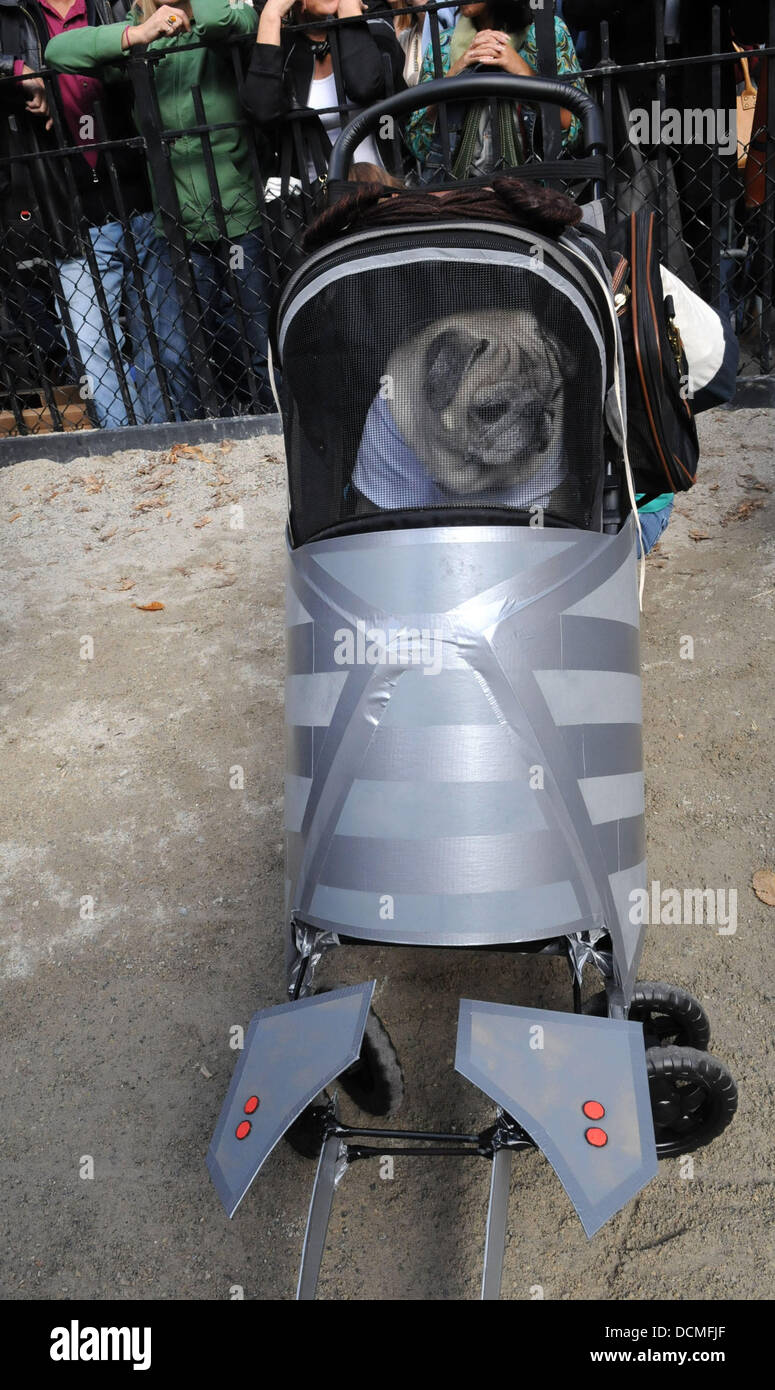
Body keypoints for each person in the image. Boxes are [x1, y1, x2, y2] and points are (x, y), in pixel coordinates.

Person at [46, 0, 273, 421]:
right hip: (178, 225)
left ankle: (273, 428)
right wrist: (139, 34)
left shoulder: (227, 16)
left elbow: (221, 19)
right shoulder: (143, 32)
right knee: (184, 350)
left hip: (240, 215)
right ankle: (203, 432)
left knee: (257, 346)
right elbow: (57, 53)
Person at [0, 0, 164, 428]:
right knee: (90, 345)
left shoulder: (112, 4)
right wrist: (22, 76)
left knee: (161, 340)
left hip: (139, 190)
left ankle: (170, 434)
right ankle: (125, 444)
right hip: (65, 204)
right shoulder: (11, 13)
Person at [405, 0, 587, 179]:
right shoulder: (443, 46)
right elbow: (419, 144)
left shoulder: (546, 31)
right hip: (461, 192)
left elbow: (574, 132)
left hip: (531, 190)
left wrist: (525, 74)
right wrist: (454, 75)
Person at [242, 0, 405, 183]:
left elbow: (365, 87)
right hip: (316, 199)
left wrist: (349, 15)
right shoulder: (286, 48)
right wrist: (270, 17)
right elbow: (262, 111)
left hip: (384, 189)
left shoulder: (376, 28)